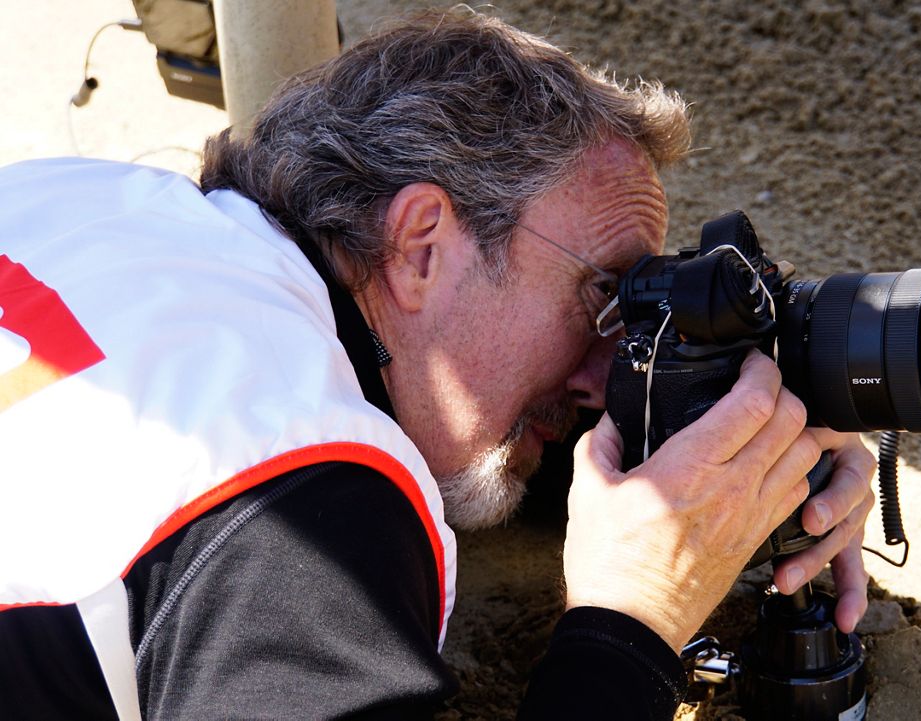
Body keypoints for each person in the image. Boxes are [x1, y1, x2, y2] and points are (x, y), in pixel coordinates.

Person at [0, 9, 874, 719]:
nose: (608, 367)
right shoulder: (294, 490)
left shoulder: (86, 197)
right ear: (422, 246)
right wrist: (631, 620)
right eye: (604, 296)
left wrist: (724, 452)